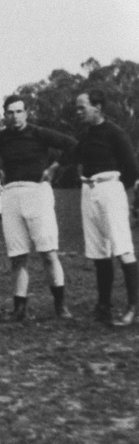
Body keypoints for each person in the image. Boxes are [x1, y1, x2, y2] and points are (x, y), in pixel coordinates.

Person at [0, 95, 77, 321]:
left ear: (26, 113)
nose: (15, 117)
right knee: (17, 256)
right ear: (4, 115)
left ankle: (60, 306)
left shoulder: (39, 133)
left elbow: (72, 145)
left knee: (48, 253)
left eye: (19, 111)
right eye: (10, 112)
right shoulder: (1, 138)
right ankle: (20, 308)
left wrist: (54, 167)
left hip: (38, 193)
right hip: (11, 194)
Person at [74, 89, 139, 326]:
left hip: (110, 189)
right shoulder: (87, 134)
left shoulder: (115, 133)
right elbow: (75, 154)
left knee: (122, 248)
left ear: (97, 107)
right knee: (98, 252)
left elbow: (132, 168)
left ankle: (133, 308)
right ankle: (104, 306)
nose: (78, 112)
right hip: (88, 192)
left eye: (82, 107)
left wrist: (117, 190)